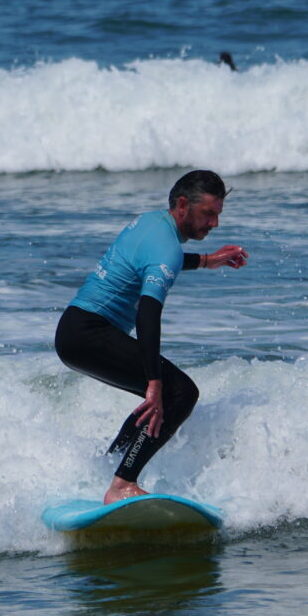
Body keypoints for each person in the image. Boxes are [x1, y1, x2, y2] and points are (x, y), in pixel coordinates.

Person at [55, 170, 249, 504]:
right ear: (183, 205)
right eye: (209, 214)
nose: (215, 223)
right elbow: (148, 315)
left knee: (158, 401)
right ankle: (121, 484)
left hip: (74, 331)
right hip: (89, 333)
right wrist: (154, 381)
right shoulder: (167, 248)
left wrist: (206, 261)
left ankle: (106, 468)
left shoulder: (149, 222)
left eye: (218, 214)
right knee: (180, 393)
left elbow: (155, 261)